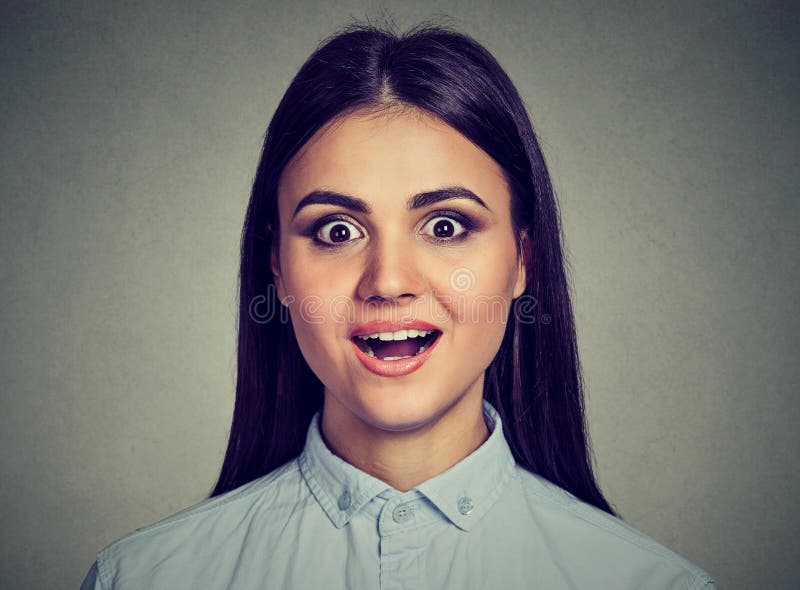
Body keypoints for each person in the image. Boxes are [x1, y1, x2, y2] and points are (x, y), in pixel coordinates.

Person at [81, 21, 716, 589]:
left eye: (445, 226)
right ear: (277, 265)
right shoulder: (139, 580)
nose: (388, 282)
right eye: (337, 230)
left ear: (523, 259)